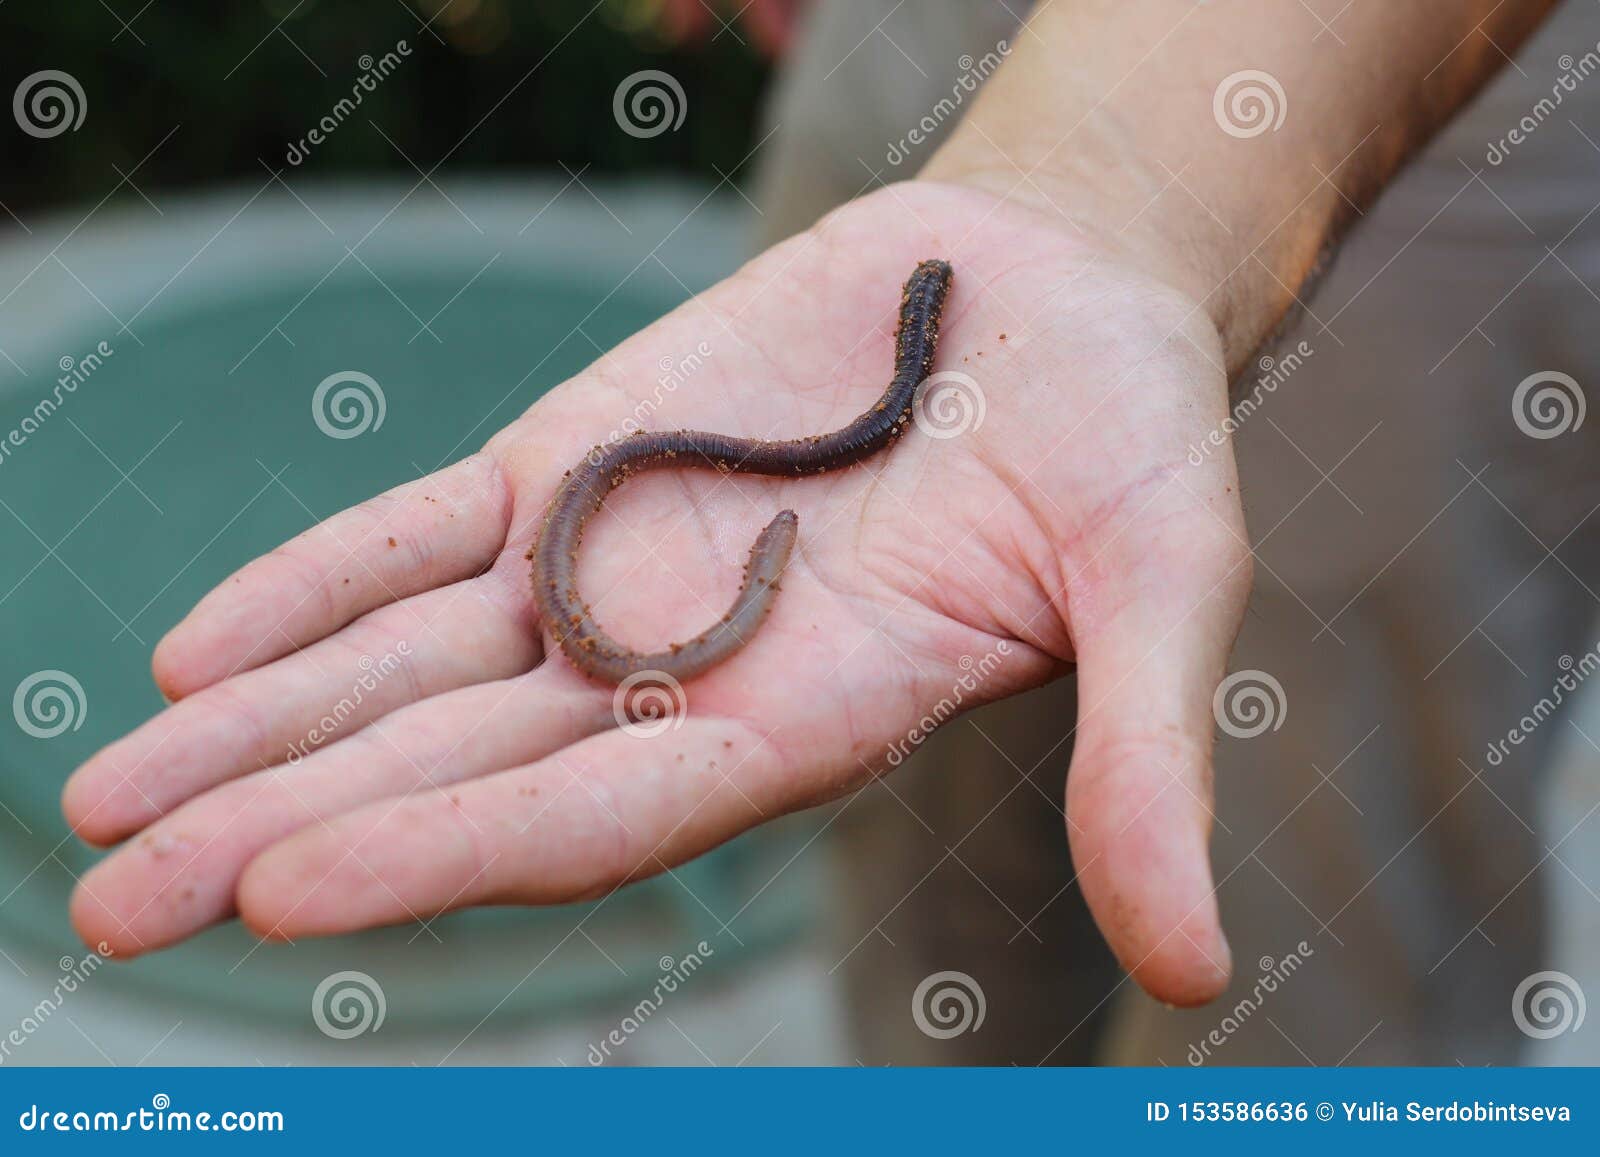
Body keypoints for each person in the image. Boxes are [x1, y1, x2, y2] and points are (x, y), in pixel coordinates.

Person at [60, 0, 1593, 1065]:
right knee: (939, 915)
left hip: (1451, 112)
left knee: (1309, 954)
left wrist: (1124, 201)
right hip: (925, 45)